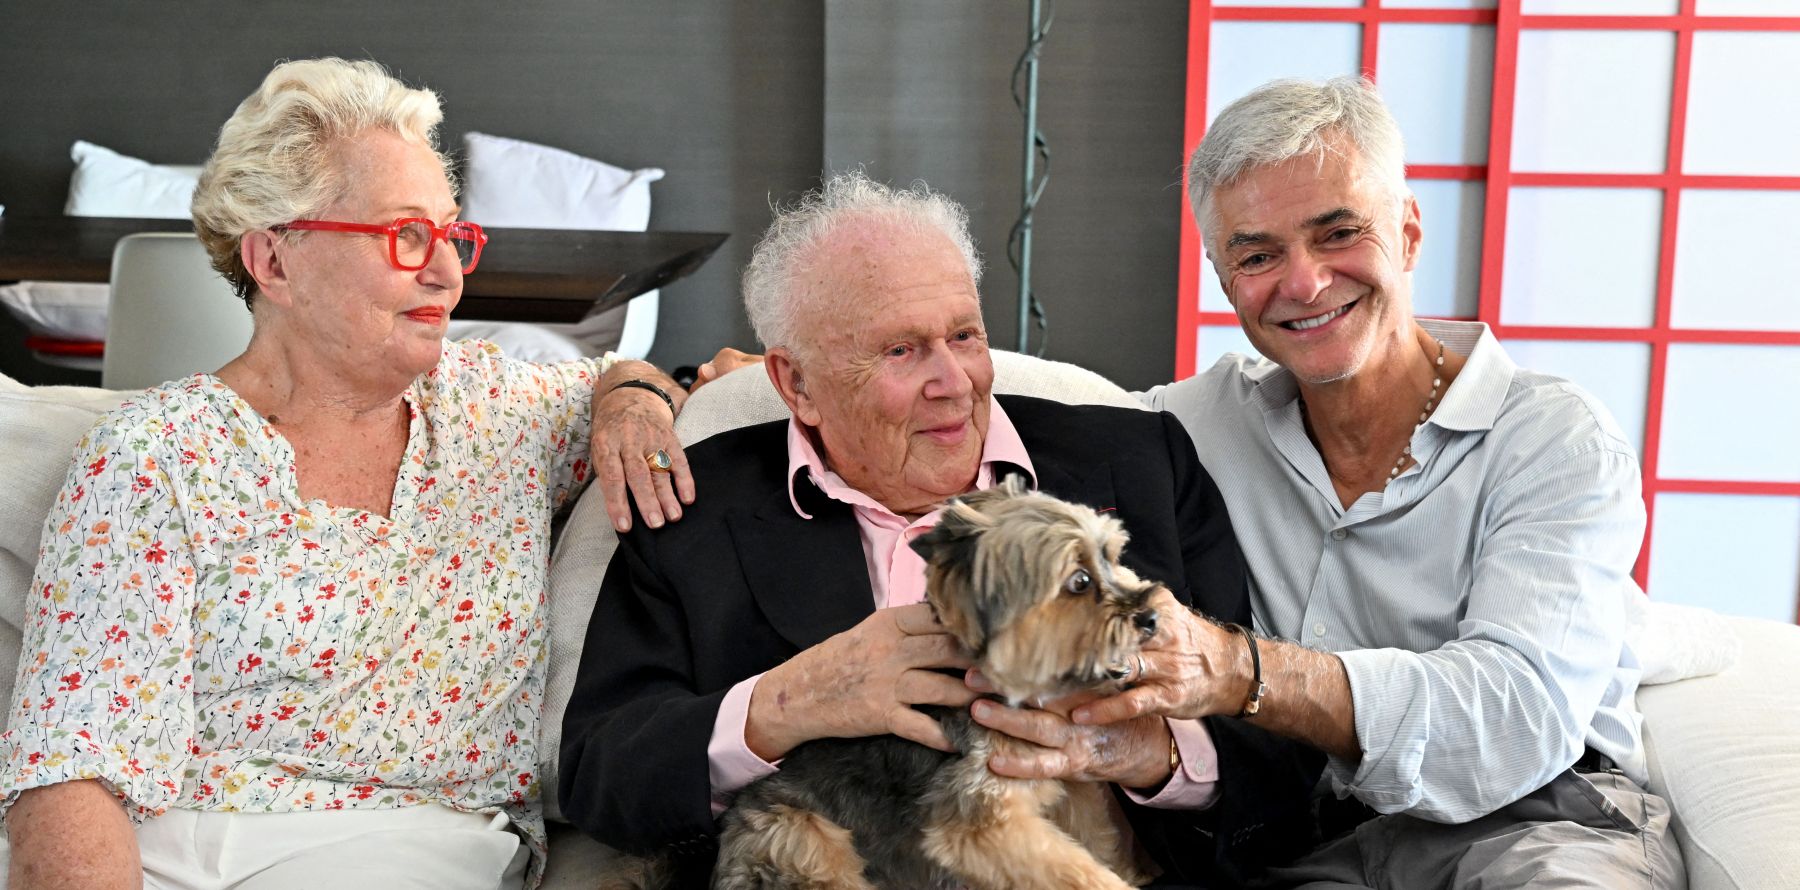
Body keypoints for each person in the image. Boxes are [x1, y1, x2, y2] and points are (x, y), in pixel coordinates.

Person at [0, 58, 690, 890]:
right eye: (405, 236)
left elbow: (639, 376)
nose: (448, 272)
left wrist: (635, 401)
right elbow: (73, 770)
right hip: (164, 849)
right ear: (275, 261)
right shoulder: (157, 454)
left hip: (409, 845)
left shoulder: (493, 407)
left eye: (452, 235)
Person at [559, 172, 1321, 888]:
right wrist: (785, 703)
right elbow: (600, 776)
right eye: (901, 351)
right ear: (796, 383)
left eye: (964, 335)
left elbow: (1272, 759)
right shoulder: (692, 503)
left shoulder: (1137, 464)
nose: (953, 382)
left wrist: (1152, 756)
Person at [1056, 76, 1685, 886]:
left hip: (1539, 824)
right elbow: (1005, 414)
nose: (1305, 283)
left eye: (1338, 233)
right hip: (1318, 846)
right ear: (1224, 282)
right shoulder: (1194, 426)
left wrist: (1242, 671)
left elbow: (1514, 720)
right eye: (1257, 255)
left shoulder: (1553, 440)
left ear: (1410, 233)